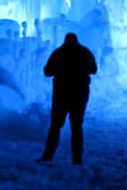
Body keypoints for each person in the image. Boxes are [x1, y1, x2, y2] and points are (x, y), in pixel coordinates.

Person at [37, 33, 98, 165]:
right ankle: (77, 158)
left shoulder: (59, 52)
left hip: (61, 94)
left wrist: (62, 69)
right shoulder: (84, 52)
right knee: (76, 126)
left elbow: (47, 72)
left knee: (55, 125)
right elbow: (93, 69)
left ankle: (48, 155)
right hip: (80, 93)